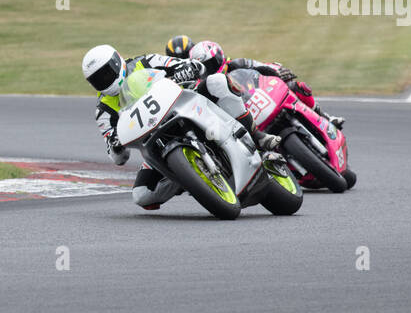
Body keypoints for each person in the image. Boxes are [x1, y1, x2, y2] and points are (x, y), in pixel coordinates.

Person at [81, 44, 282, 210]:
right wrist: (115, 145)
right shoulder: (103, 110)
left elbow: (185, 65)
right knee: (141, 195)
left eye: (106, 73)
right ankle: (190, 179)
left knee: (217, 82)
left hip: (185, 105)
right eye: (97, 79)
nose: (104, 81)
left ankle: (257, 135)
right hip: (155, 141)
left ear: (117, 63)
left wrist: (188, 68)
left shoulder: (145, 62)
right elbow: (117, 157)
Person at [182, 38, 345, 128]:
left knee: (298, 87)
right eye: (205, 66)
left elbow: (260, 66)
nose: (209, 68)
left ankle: (325, 117)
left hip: (262, 95)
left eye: (211, 63)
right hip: (243, 112)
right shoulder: (209, 84)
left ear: (218, 56)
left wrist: (278, 71)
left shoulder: (236, 63)